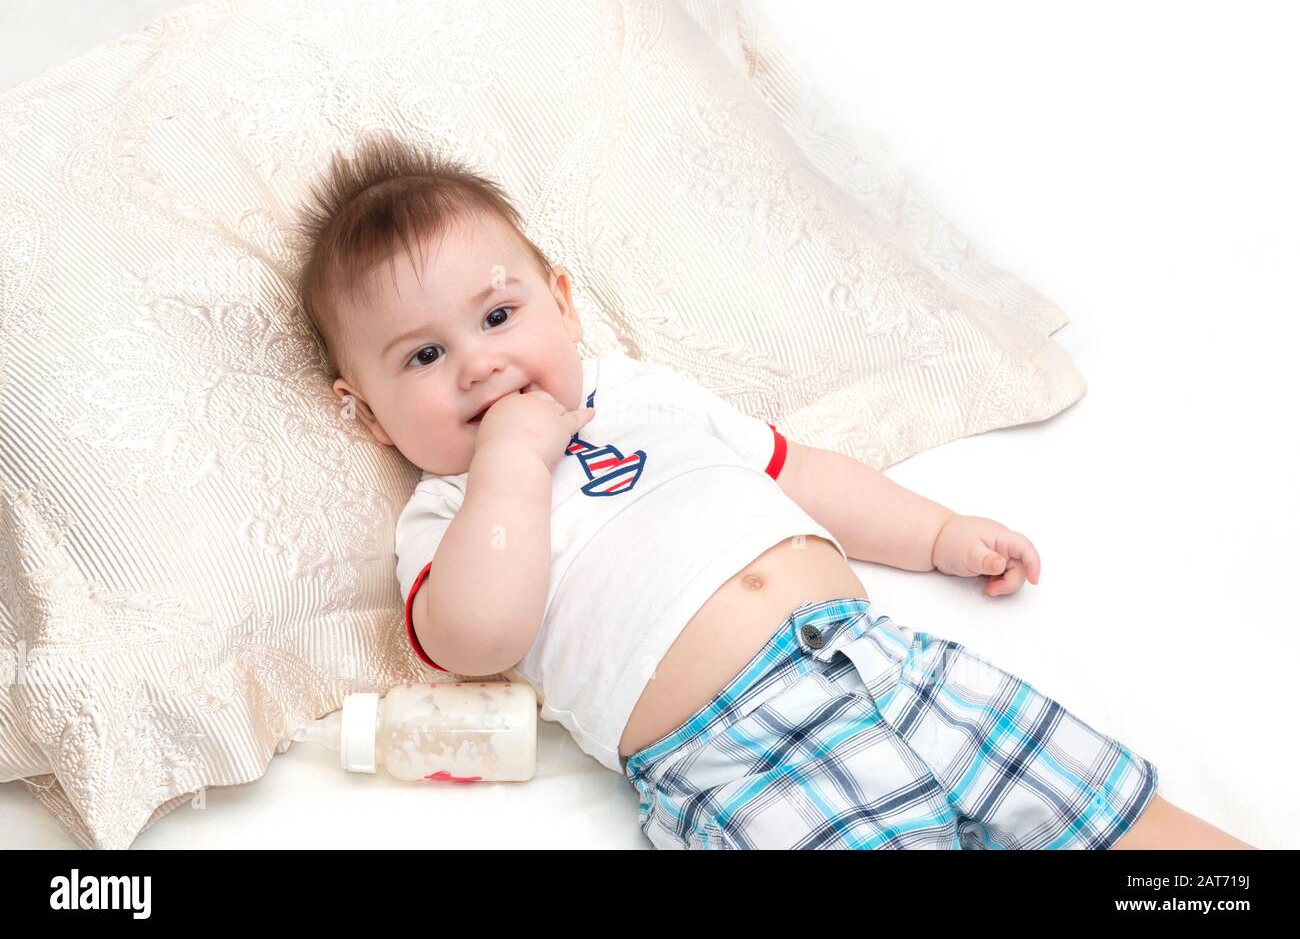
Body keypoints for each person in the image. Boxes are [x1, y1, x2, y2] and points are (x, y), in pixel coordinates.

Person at [290, 131, 1254, 850]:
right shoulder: (445, 518)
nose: (482, 364)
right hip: (743, 756)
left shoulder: (644, 393)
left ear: (564, 301)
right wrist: (508, 464)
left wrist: (938, 534)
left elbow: (798, 474)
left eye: (500, 314)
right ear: (369, 416)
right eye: (424, 355)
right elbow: (478, 638)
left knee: (1120, 816)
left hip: (894, 664)